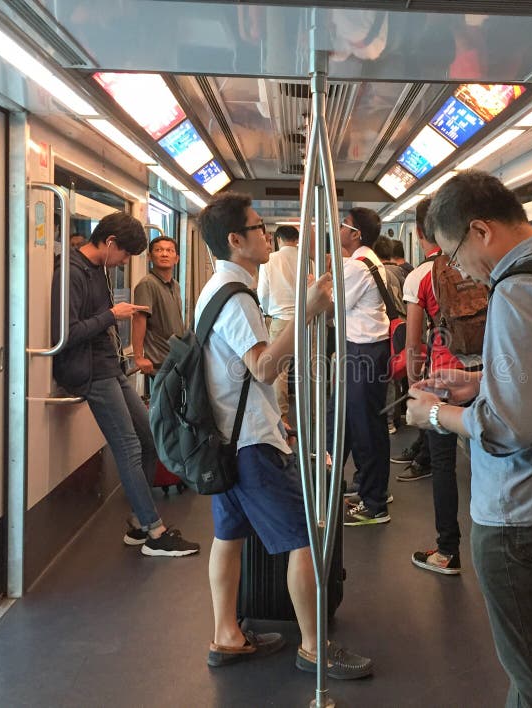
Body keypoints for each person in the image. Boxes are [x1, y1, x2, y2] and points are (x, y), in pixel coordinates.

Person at [406, 171, 532, 706]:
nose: (457, 268)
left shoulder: (520, 289)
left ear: (481, 230)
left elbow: (510, 428)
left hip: (521, 510)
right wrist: (480, 382)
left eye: (454, 253)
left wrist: (437, 414)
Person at [196, 193, 372, 677]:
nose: (265, 236)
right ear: (235, 240)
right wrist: (308, 311)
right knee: (303, 537)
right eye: (256, 229)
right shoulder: (236, 298)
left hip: (225, 436)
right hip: (249, 441)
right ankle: (314, 648)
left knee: (228, 536)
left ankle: (226, 635)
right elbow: (262, 367)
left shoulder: (211, 289)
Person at [51, 212, 200, 558]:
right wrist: (111, 316)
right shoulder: (71, 272)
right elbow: (66, 334)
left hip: (109, 366)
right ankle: (155, 531)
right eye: (126, 255)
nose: (126, 262)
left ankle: (138, 521)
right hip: (89, 371)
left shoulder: (98, 270)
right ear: (111, 243)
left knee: (149, 437)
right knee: (130, 447)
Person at [399, 195, 463, 575]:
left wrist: (414, 382)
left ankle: (447, 551)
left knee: (443, 465)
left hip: (441, 379)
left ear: (420, 232)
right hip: (485, 375)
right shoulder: (476, 266)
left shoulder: (420, 276)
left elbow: (413, 342)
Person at [327, 207, 392, 526]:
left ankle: (374, 502)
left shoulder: (356, 266)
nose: (337, 230)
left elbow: (332, 306)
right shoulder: (366, 260)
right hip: (370, 349)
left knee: (365, 428)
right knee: (364, 424)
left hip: (363, 351)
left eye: (342, 225)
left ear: (356, 234)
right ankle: (370, 486)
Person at [257, 225, 302, 436]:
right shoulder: (309, 259)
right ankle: (309, 413)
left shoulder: (270, 260)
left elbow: (263, 293)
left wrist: (267, 311)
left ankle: (282, 416)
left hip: (280, 320)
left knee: (279, 371)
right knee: (309, 368)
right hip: (306, 319)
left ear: (278, 239)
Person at [132, 236, 185, 383]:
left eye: (169, 250)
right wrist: (138, 357)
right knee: (161, 405)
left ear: (177, 258)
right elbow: (139, 320)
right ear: (149, 257)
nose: (164, 254)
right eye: (159, 250)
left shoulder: (175, 285)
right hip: (159, 362)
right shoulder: (147, 284)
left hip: (176, 358)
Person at [372, 235, 406, 435]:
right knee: (395, 374)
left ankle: (387, 420)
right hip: (401, 326)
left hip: (386, 328)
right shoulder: (400, 273)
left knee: (387, 375)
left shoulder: (378, 273)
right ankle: (393, 418)